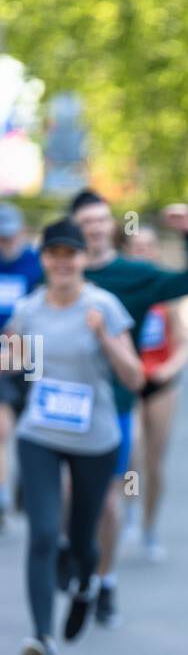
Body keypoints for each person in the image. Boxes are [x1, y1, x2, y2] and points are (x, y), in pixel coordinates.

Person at [5, 219, 143, 655]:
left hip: (95, 438)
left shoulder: (103, 306)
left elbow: (135, 377)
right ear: (43, 259)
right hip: (40, 434)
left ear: (83, 259)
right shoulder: (28, 311)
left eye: (71, 254)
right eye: (54, 253)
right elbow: (16, 366)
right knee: (43, 533)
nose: (62, 262)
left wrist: (104, 336)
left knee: (83, 539)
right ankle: (43, 640)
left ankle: (85, 584)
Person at [68, 191, 188, 625]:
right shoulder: (58, 270)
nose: (93, 228)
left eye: (100, 220)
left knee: (117, 492)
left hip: (120, 399)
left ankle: (105, 580)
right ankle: (73, 556)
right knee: (68, 498)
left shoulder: (136, 275)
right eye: (84, 222)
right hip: (67, 405)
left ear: (109, 224)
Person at [123, 226, 188, 560]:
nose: (144, 253)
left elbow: (184, 343)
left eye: (149, 247)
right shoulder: (119, 289)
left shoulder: (166, 293)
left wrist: (170, 367)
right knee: (131, 449)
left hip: (161, 381)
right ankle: (128, 509)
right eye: (137, 248)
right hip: (128, 379)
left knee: (155, 460)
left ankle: (150, 529)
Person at [0, 203, 43, 531]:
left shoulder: (37, 264)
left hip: (35, 350)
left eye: (10, 236)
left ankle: (27, 488)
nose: (5, 243)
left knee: (35, 425)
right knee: (2, 427)